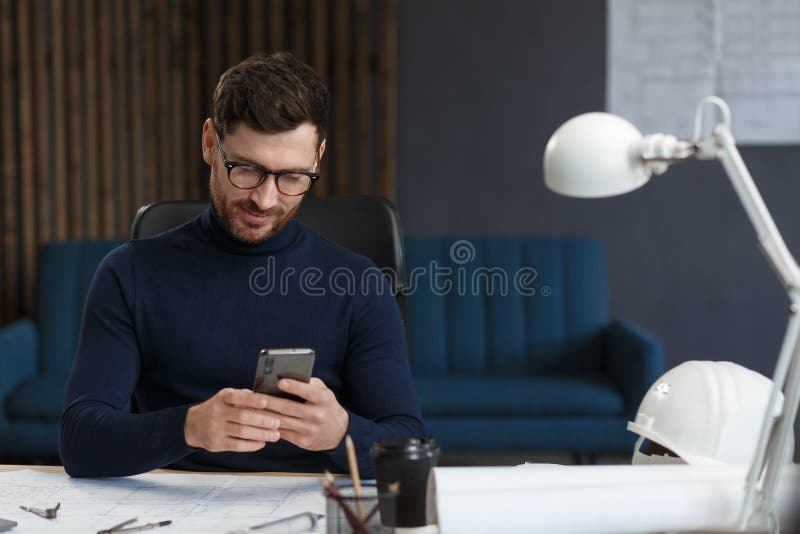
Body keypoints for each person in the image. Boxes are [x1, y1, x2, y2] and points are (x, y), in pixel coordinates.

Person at [59, 52, 424, 478]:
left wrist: (341, 433)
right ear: (210, 143)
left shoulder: (359, 283)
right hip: (178, 509)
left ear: (318, 158)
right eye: (246, 170)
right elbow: (80, 441)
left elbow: (408, 445)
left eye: (292, 177)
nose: (265, 200)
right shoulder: (129, 273)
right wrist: (189, 428)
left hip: (310, 505)